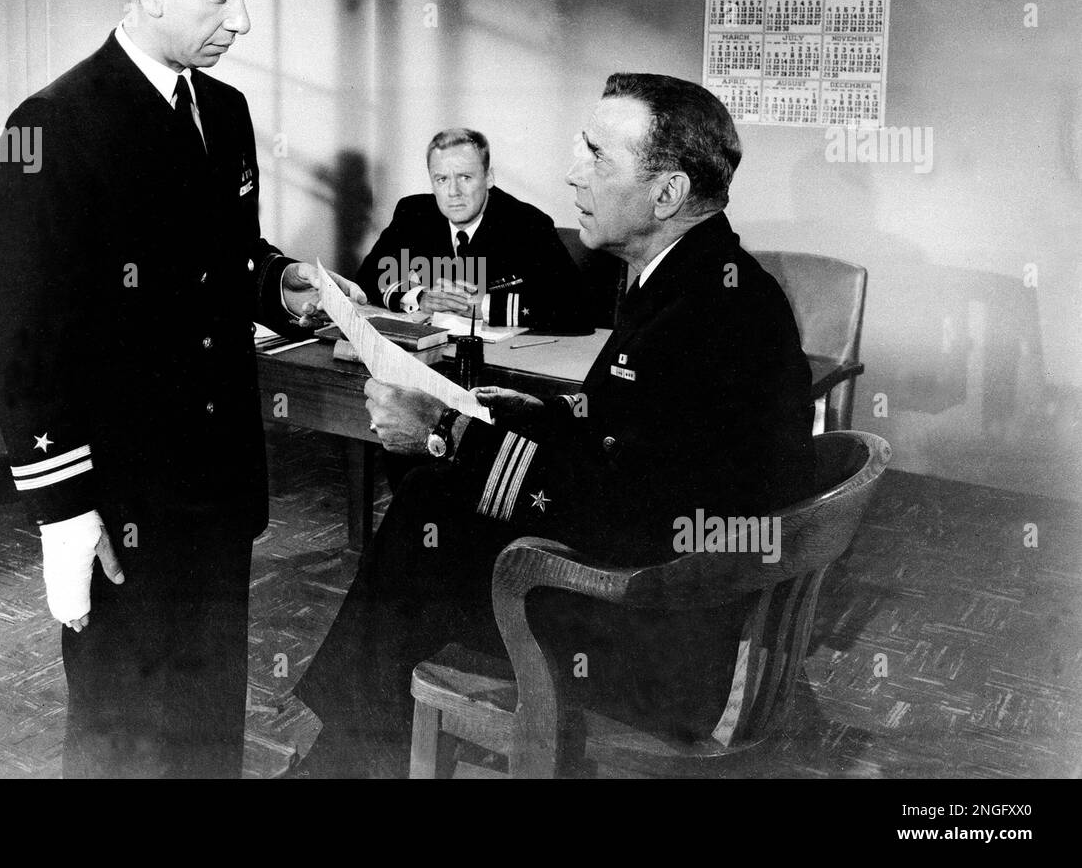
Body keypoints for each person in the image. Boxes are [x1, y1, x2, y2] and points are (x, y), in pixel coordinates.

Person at [293, 74, 815, 778]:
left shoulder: (706, 315)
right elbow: (620, 444)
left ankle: (345, 756)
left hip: (663, 632)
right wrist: (510, 412)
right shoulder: (690, 279)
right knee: (430, 508)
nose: (572, 175)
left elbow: (618, 504)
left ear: (667, 194)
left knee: (428, 519)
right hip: (669, 583)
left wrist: (446, 432)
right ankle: (349, 750)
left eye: (596, 157)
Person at [0, 0, 363, 779]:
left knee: (206, 726)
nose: (241, 20)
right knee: (121, 732)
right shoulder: (50, 127)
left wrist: (286, 283)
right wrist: (63, 511)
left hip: (215, 483)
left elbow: (227, 258)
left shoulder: (222, 113)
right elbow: (27, 340)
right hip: (119, 495)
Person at [355, 128, 589, 332]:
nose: (453, 192)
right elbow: (366, 279)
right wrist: (419, 297)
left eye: (465, 177)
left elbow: (577, 308)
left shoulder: (528, 224)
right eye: (442, 179)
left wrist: (483, 306)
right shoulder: (413, 213)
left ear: (488, 178)